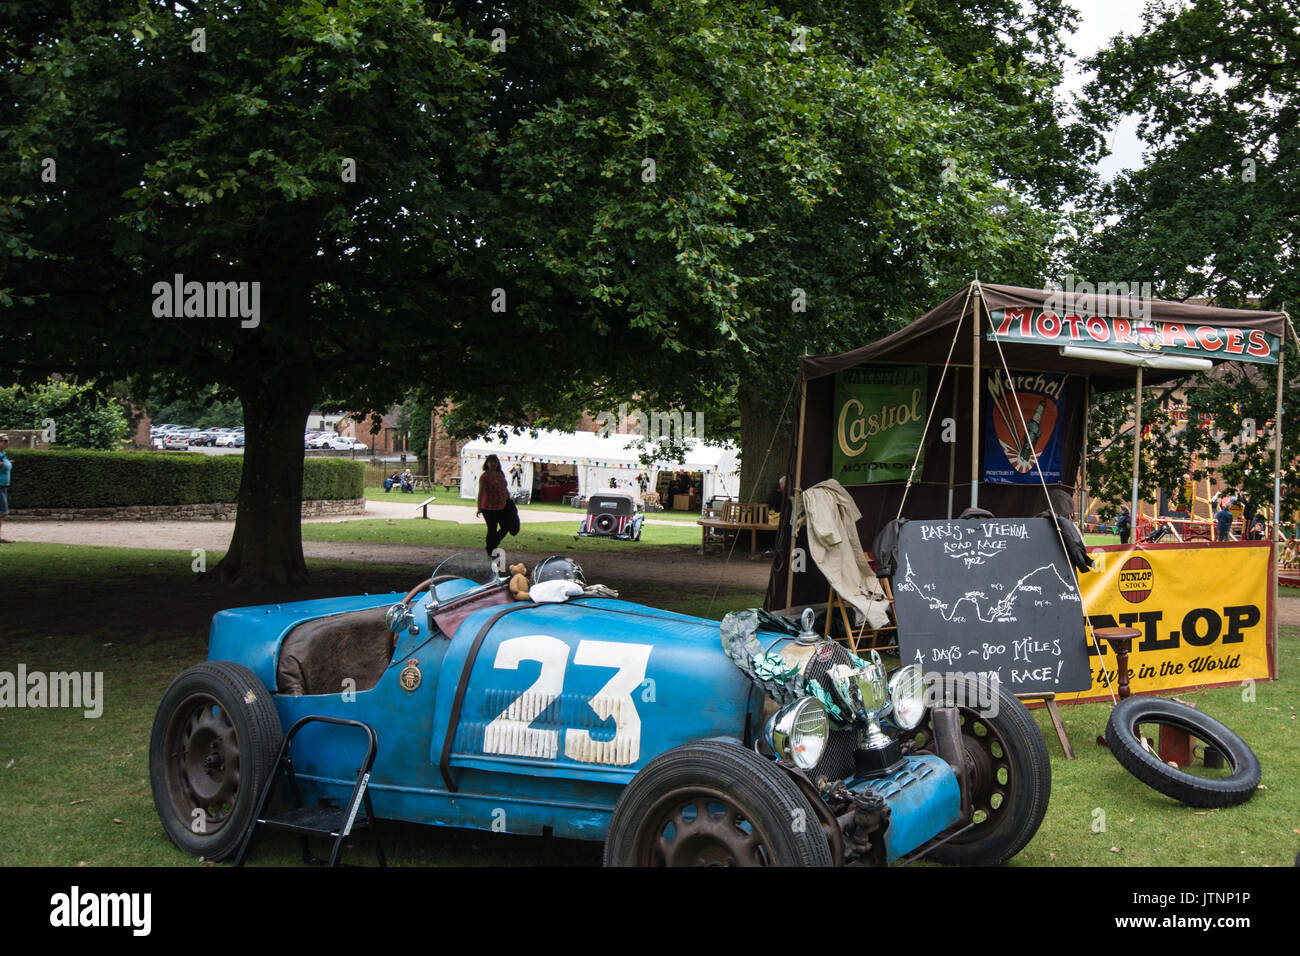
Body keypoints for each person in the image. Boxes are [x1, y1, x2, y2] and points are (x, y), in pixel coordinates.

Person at [476, 454, 511, 555]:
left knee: (506, 526)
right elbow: (481, 493)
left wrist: (508, 499)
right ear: (487, 463)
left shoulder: (500, 474)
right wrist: (478, 507)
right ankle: (491, 550)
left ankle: (492, 545)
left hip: (501, 506)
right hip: (488, 507)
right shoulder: (484, 477)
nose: (493, 464)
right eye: (491, 462)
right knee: (492, 528)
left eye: (495, 461)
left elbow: (504, 487)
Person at [0, 434, 10, 543]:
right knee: (2, 512)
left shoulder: (2, 454)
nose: (7, 443)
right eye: (5, 440)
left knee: (1, 513)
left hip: (2, 485)